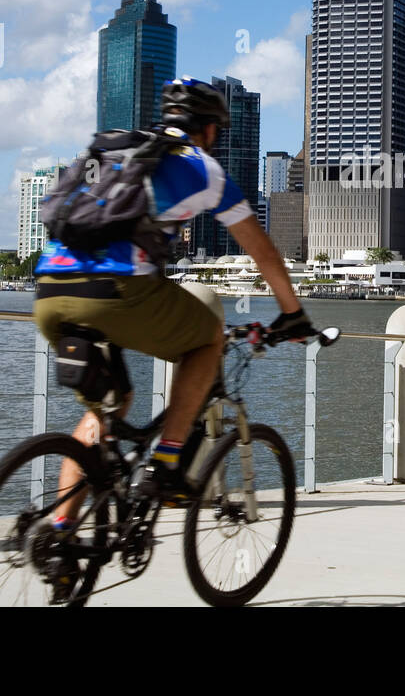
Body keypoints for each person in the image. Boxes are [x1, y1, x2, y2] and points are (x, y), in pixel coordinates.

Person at [32, 76, 312, 517]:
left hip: (49, 291)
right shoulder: (202, 167)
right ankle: (166, 463)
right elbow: (263, 251)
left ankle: (59, 535)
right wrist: (293, 313)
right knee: (207, 340)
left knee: (104, 412)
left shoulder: (114, 152)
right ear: (211, 129)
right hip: (115, 291)